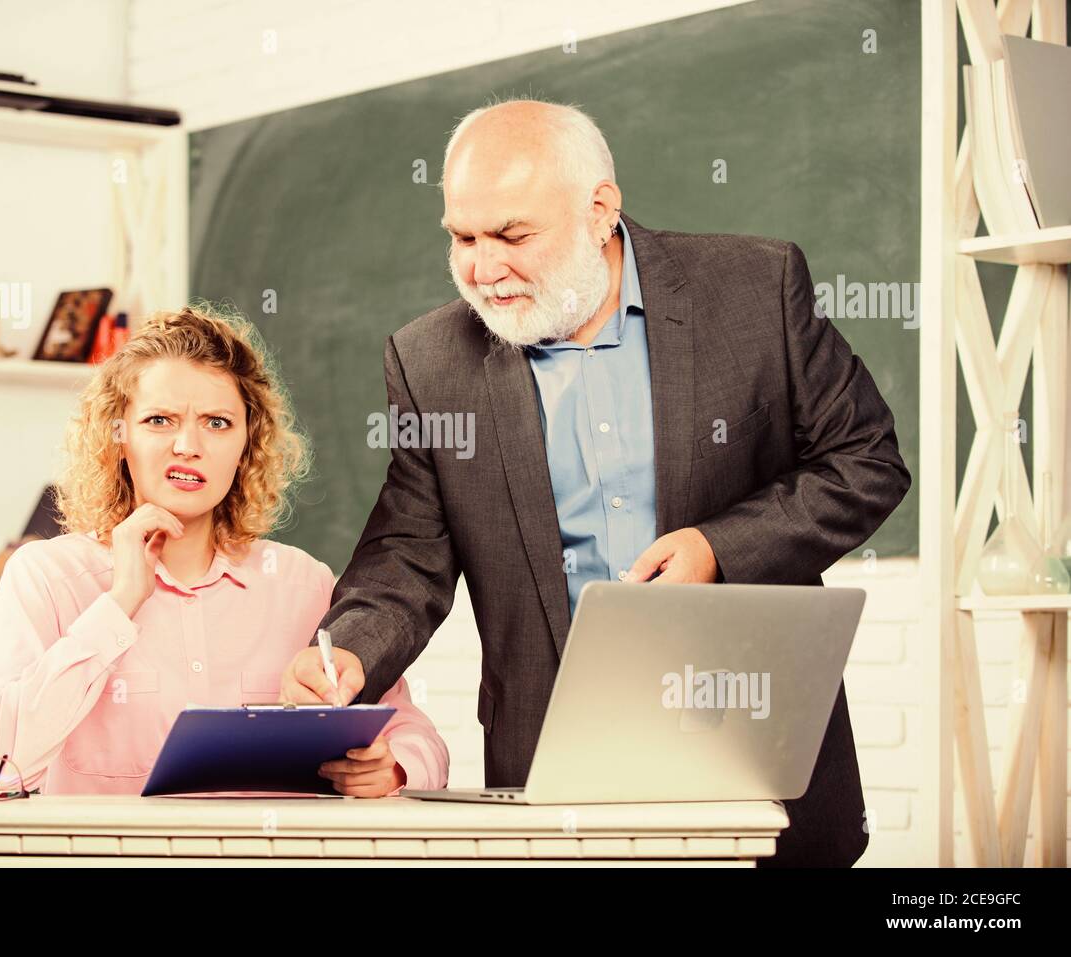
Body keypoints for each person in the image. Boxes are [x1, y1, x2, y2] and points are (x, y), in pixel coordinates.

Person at [281, 99, 910, 865]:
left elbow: (866, 459)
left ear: (601, 210)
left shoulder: (755, 287)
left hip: (749, 740)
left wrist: (718, 547)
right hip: (552, 770)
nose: (483, 267)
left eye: (512, 235)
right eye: (462, 237)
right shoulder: (430, 361)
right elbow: (406, 554)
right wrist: (348, 651)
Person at [0, 304, 448, 796]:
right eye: (159, 420)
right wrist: (118, 605)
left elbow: (416, 736)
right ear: (118, 437)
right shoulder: (45, 577)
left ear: (247, 446)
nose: (188, 446)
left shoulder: (305, 585)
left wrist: (393, 768)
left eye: (217, 423)